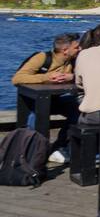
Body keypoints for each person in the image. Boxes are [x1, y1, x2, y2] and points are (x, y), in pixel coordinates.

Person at [11, 32, 81, 161]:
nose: (80, 49)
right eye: (76, 47)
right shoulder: (41, 58)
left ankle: (61, 146)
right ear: (65, 50)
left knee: (79, 109)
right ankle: (31, 150)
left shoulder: (75, 61)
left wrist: (72, 77)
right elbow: (17, 78)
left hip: (55, 99)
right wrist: (46, 77)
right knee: (36, 115)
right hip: (34, 101)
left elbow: (85, 77)